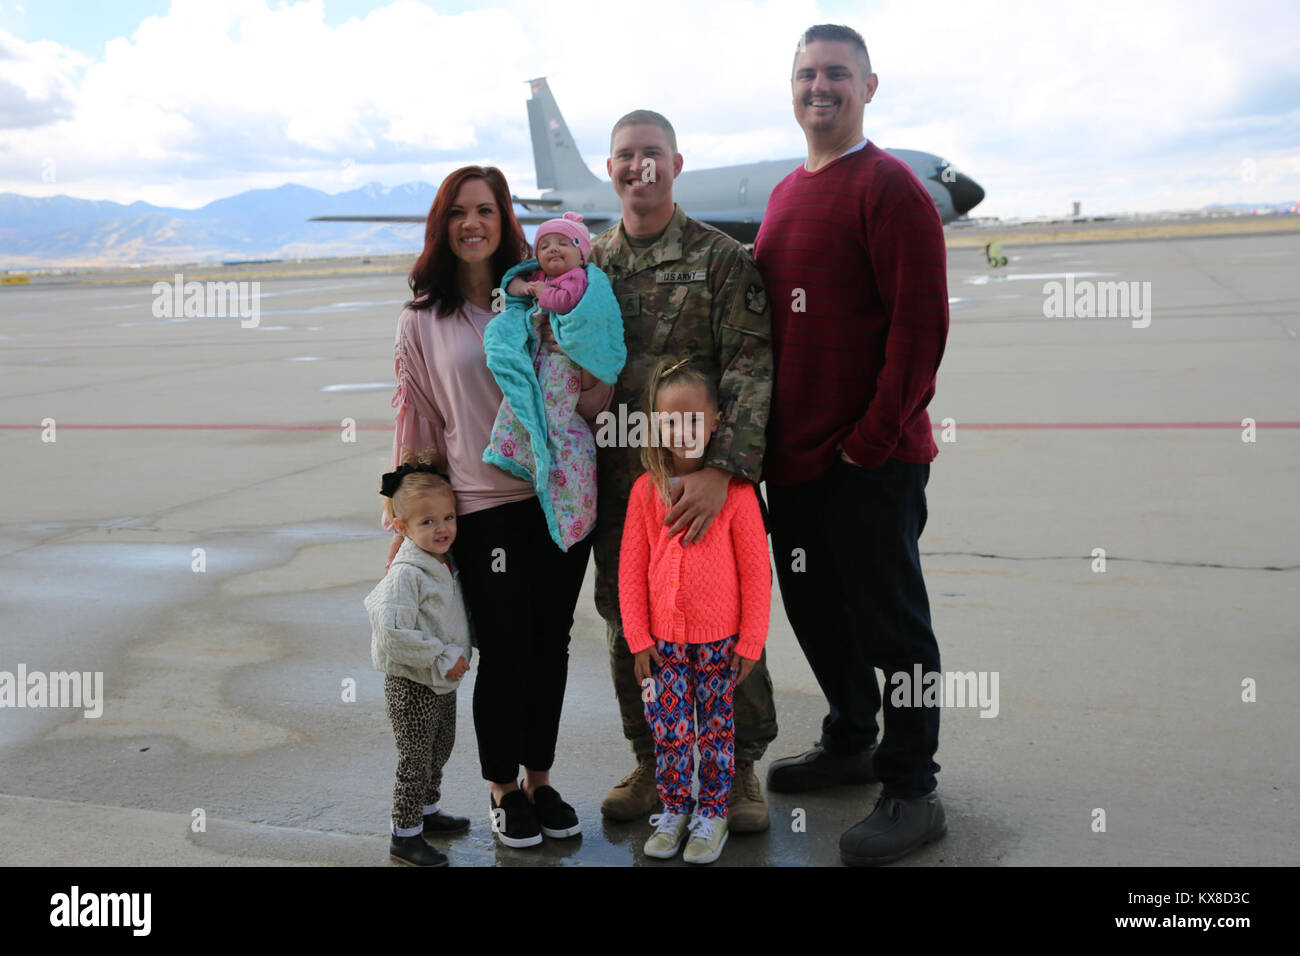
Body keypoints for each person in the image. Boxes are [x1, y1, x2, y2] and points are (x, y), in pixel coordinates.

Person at [754, 24, 950, 866]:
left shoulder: (890, 189)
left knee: (892, 626)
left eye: (837, 73)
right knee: (817, 616)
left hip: (868, 462)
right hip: (794, 463)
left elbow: (920, 329)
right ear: (790, 86)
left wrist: (871, 443)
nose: (819, 86)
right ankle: (852, 738)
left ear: (870, 86)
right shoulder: (787, 192)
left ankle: (912, 786)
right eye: (806, 73)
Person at [385, 166, 612, 849]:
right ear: (442, 225)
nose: (472, 223)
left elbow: (588, 384)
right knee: (507, 649)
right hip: (483, 506)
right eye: (458, 212)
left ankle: (540, 780)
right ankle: (502, 789)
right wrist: (403, 523)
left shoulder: (544, 301)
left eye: (485, 209)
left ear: (505, 219)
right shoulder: (422, 320)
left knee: (552, 647)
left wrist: (597, 380)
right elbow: (417, 424)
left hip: (561, 496)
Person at [567, 110, 777, 832]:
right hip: (624, 486)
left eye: (651, 153)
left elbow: (751, 367)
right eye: (626, 155)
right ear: (610, 167)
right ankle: (655, 762)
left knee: (724, 621)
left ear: (676, 164)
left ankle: (739, 763)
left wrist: (724, 471)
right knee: (631, 622)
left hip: (705, 486)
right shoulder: (589, 267)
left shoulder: (722, 260)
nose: (639, 167)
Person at [619, 358, 771, 863]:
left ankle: (712, 814)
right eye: (670, 421)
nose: (682, 431)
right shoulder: (646, 492)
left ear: (717, 422)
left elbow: (756, 574)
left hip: (720, 643)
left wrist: (750, 642)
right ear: (655, 425)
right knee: (671, 733)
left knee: (716, 731)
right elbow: (630, 572)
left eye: (693, 420)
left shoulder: (738, 494)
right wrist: (639, 639)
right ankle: (675, 807)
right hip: (663, 645)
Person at [483, 211, 625, 552]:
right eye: (544, 245)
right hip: (541, 355)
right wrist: (526, 286)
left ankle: (557, 462)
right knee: (524, 398)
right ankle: (517, 447)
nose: (552, 249)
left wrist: (542, 292)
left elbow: (564, 302)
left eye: (563, 243)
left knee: (557, 411)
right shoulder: (541, 276)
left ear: (581, 253)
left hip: (563, 360)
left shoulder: (579, 279)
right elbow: (512, 286)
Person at [365, 460, 473, 866]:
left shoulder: (443, 560)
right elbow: (391, 631)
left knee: (439, 749)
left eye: (448, 517)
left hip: (440, 680)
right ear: (402, 527)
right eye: (427, 521)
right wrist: (442, 655)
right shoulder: (407, 573)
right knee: (414, 759)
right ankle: (404, 836)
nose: (442, 528)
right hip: (412, 682)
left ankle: (427, 813)